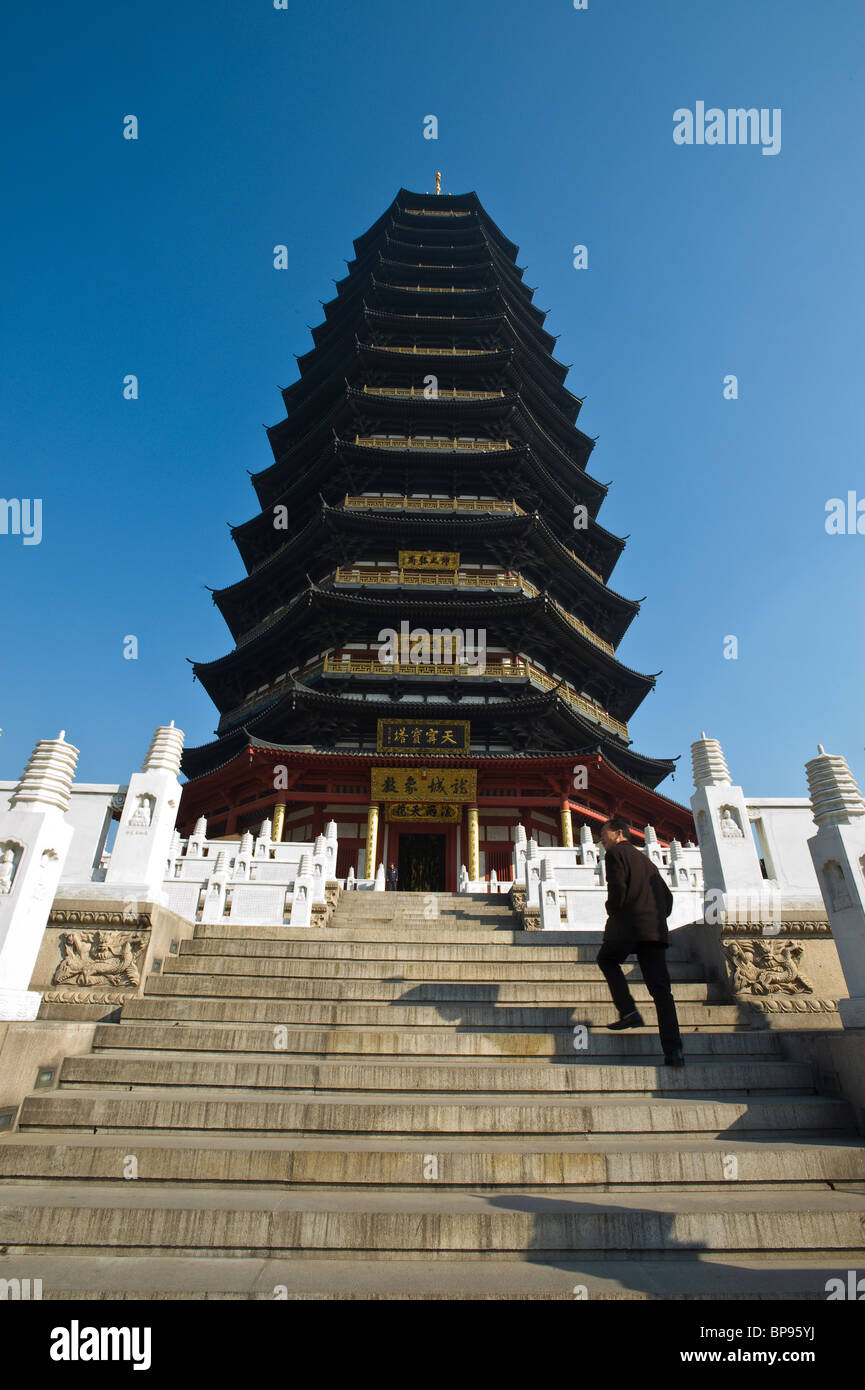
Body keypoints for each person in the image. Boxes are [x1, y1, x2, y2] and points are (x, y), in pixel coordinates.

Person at [595, 816, 684, 1066]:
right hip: (654, 930)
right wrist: (655, 918)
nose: (601, 839)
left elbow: (617, 890)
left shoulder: (615, 856)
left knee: (607, 960)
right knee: (661, 991)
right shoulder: (646, 861)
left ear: (619, 833)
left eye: (604, 834)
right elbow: (666, 898)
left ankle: (629, 1011)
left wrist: (612, 910)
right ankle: (674, 1050)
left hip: (628, 926)